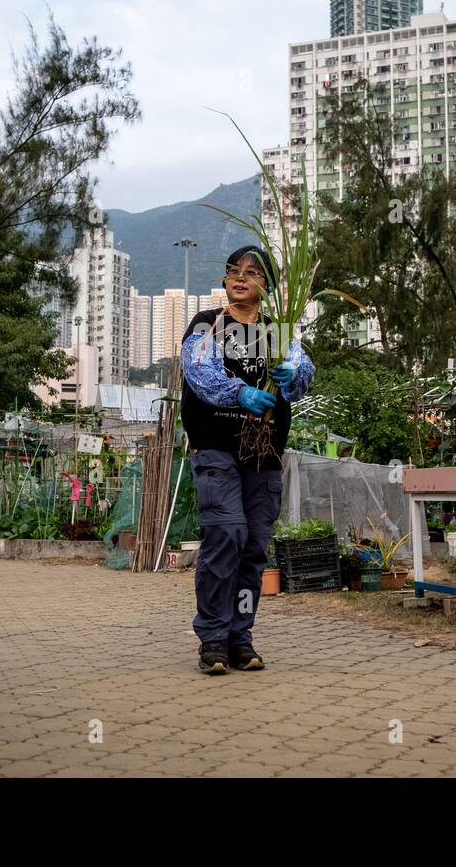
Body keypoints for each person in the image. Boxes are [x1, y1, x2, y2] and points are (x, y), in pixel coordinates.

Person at [180, 245, 315, 674]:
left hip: (264, 451)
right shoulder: (207, 324)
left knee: (255, 545)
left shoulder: (279, 331)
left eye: (253, 272)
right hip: (216, 445)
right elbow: (199, 372)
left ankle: (241, 636)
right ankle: (214, 638)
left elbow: (302, 372)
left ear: (267, 286)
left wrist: (294, 376)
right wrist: (239, 393)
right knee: (227, 535)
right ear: (224, 280)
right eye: (234, 271)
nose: (241, 277)